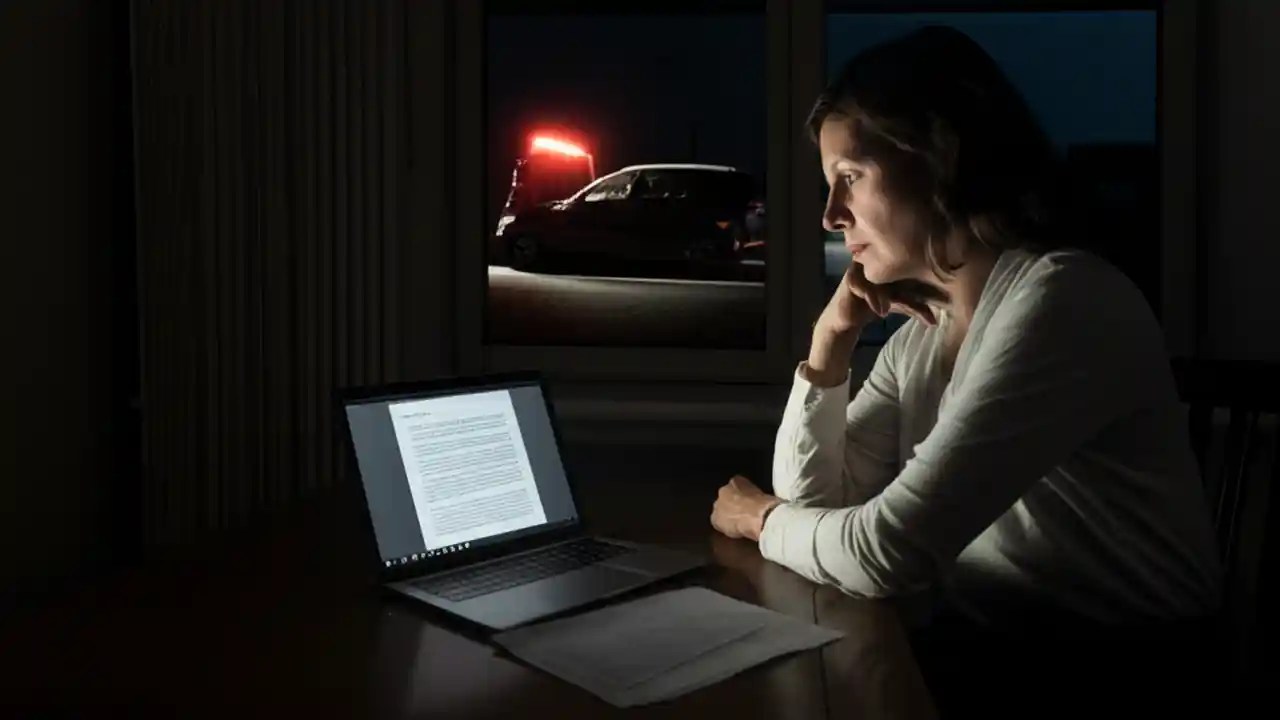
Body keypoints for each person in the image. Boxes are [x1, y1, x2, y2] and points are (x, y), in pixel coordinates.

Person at [708, 26, 1222, 631]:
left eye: (850, 176)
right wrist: (829, 342)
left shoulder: (1063, 301)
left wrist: (761, 519)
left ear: (937, 158)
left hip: (1130, 666)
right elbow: (818, 507)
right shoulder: (921, 337)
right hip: (992, 641)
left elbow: (883, 551)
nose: (829, 216)